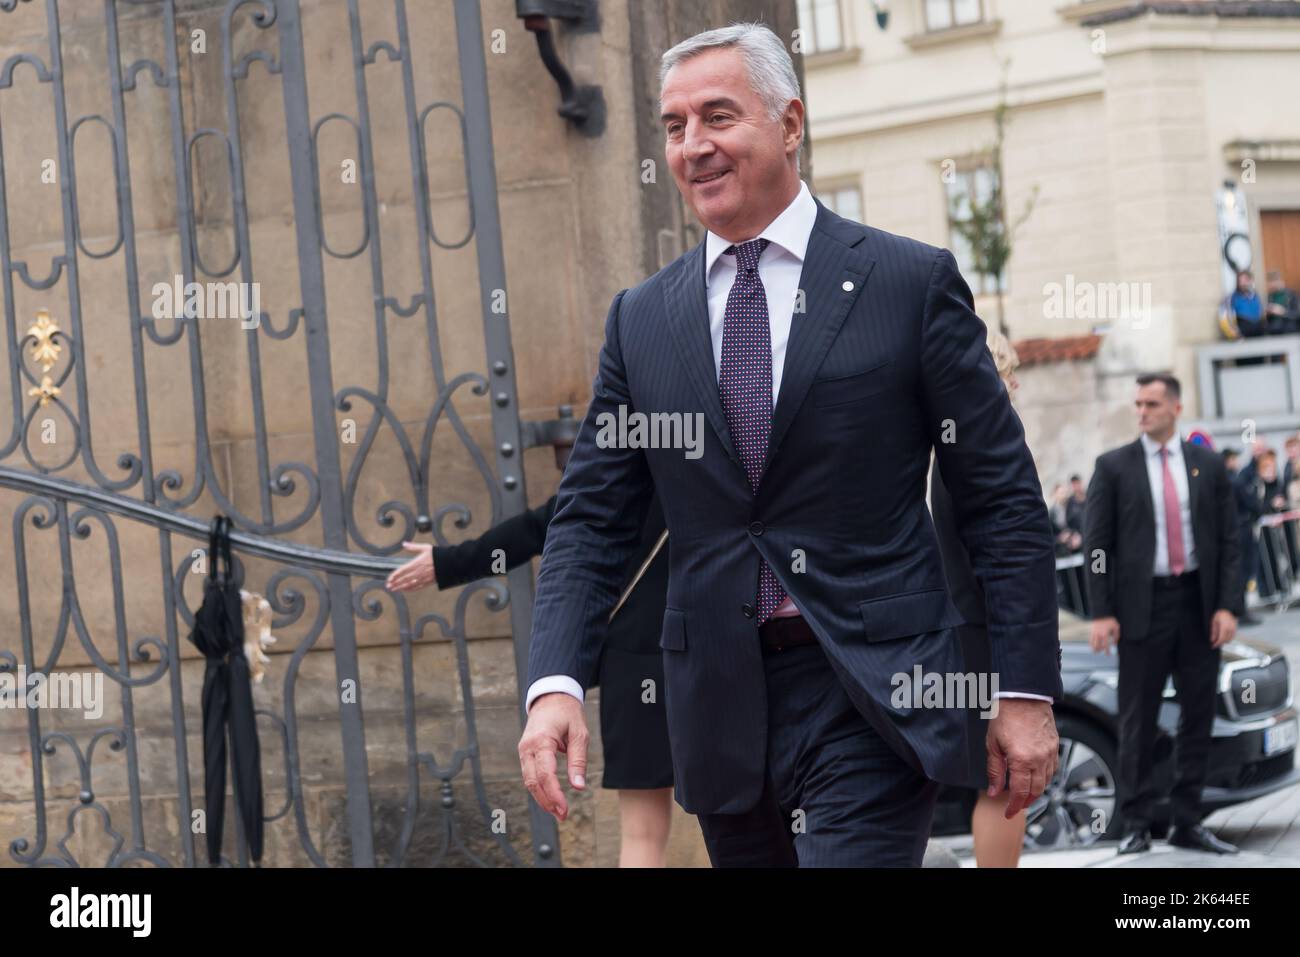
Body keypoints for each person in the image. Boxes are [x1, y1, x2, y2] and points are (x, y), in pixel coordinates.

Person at [517, 22, 1061, 868]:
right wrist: (554, 683)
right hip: (721, 707)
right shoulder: (643, 320)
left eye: (719, 117)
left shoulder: (906, 284)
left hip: (875, 695)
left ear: (791, 124)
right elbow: (591, 518)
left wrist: (1023, 690)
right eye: (673, 126)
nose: (693, 145)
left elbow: (1001, 500)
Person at [386, 442, 677, 867]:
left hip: (634, 666)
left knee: (643, 835)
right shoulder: (719, 459)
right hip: (719, 650)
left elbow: (537, 528)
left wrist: (448, 561)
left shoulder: (623, 472)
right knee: (752, 821)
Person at [1083, 373, 1241, 856]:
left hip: (1197, 604)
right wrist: (1102, 612)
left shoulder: (1207, 466)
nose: (1142, 412)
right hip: (1140, 610)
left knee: (1197, 715)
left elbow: (1231, 541)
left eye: (1151, 403)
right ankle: (1135, 823)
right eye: (1138, 404)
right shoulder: (1113, 467)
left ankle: (1188, 820)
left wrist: (1228, 605)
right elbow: (1097, 547)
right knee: (1138, 719)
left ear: (1175, 406)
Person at [930, 332, 1052, 868]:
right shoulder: (974, 450)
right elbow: (995, 554)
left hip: (958, 635)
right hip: (978, 637)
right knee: (1001, 785)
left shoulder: (939, 449)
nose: (1018, 383)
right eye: (1009, 372)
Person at [1228, 270, 1266, 338]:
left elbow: (1261, 312)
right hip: (1244, 328)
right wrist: (1233, 330)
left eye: (1246, 280)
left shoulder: (1255, 295)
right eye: (1240, 281)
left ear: (1251, 281)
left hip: (1259, 329)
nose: (1243, 283)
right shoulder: (1234, 297)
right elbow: (1227, 315)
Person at [1265, 270, 1299, 335]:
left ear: (1281, 281)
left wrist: (1283, 312)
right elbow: (1269, 319)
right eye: (1270, 281)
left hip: (1289, 329)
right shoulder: (1270, 296)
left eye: (1274, 280)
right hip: (1274, 330)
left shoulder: (1292, 294)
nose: (1272, 284)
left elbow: (1297, 314)